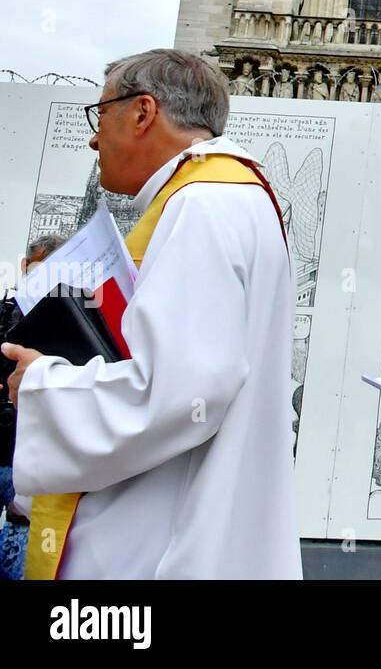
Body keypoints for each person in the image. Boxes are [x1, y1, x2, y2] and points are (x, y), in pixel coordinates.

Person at [3, 49, 301, 579]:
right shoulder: (227, 195)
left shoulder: (202, 204)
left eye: (101, 115)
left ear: (143, 113)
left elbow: (181, 392)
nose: (95, 138)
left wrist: (42, 384)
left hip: (159, 544)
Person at [0, 236, 63, 580]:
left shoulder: (68, 321)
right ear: (24, 267)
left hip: (29, 458)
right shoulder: (3, 311)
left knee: (22, 541)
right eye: (38, 271)